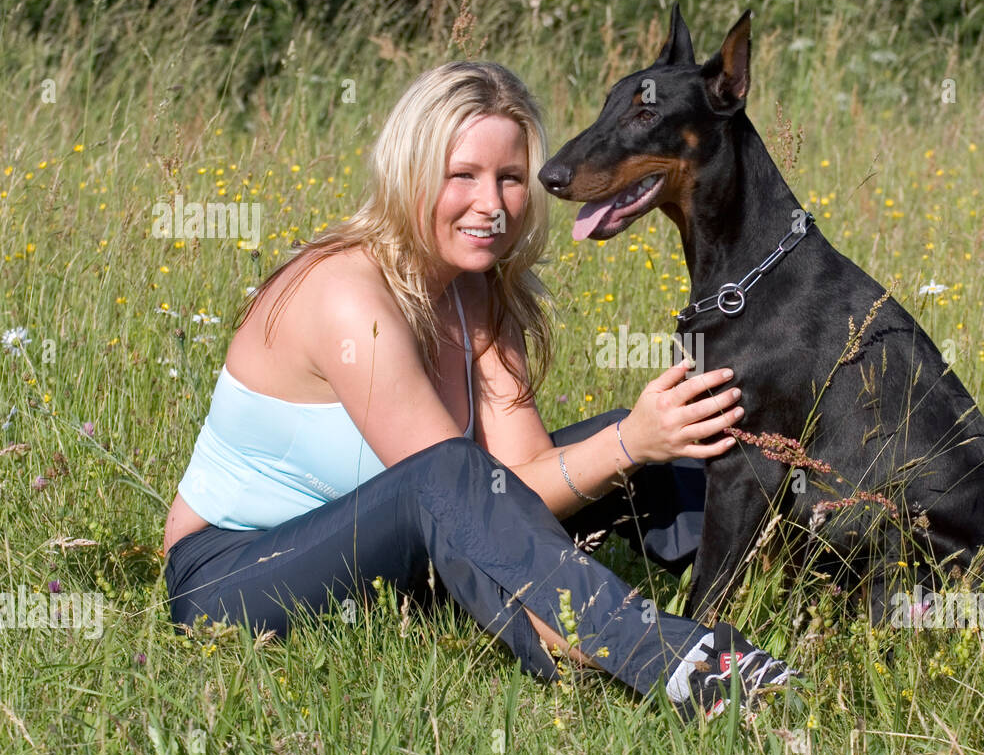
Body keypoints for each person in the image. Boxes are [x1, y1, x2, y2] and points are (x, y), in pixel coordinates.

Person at [162, 62, 794, 721]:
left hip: (389, 571)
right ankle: (692, 666)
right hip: (235, 579)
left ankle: (815, 586)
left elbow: (517, 485)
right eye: (462, 175)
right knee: (488, 464)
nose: (491, 206)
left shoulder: (478, 289)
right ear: (410, 171)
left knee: (652, 459)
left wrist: (638, 444)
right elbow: (452, 493)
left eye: (511, 178)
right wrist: (626, 442)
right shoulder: (346, 297)